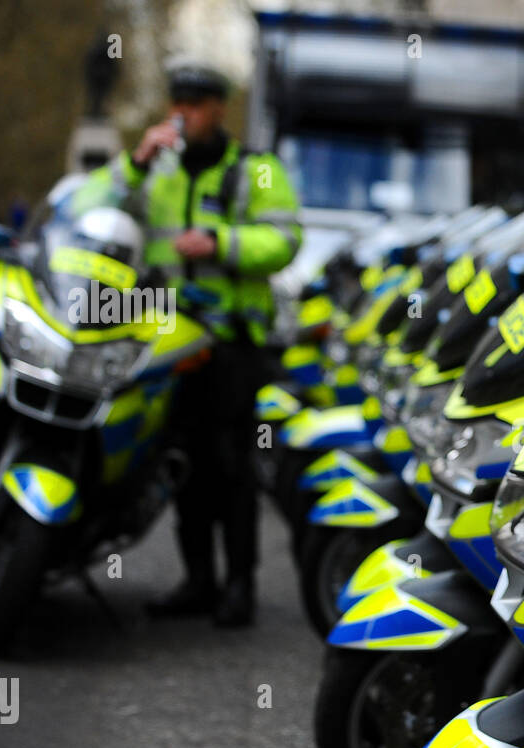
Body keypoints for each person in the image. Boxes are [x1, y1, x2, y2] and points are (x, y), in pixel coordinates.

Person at [90, 58, 302, 625]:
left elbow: (285, 240)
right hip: (165, 341)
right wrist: (134, 164)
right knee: (180, 463)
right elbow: (92, 210)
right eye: (176, 103)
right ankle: (198, 581)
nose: (182, 114)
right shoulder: (156, 169)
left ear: (218, 110)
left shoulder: (254, 170)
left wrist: (219, 241)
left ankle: (238, 589)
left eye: (195, 105)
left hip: (230, 346)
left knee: (230, 468)